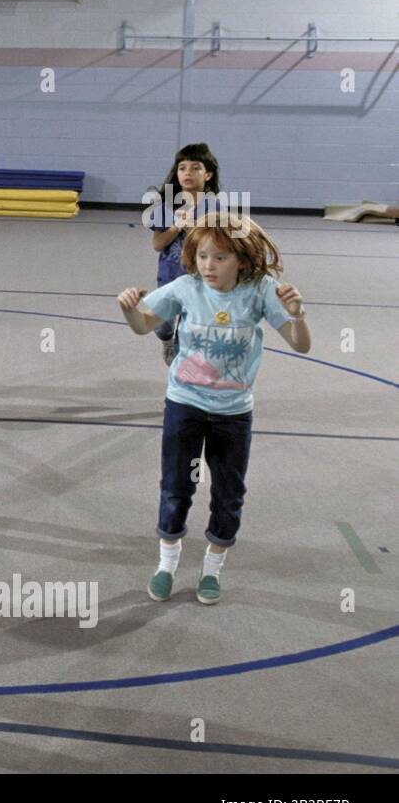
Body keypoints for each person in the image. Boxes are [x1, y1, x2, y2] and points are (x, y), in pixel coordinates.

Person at [118, 214, 311, 605]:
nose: (208, 265)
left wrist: (297, 315)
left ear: (241, 259)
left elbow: (300, 344)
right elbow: (142, 325)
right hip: (185, 404)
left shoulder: (259, 290)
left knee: (228, 491)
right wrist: (128, 310)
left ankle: (211, 570)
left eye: (220, 257)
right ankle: (166, 565)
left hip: (233, 413)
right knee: (176, 487)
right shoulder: (186, 288)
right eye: (203, 255)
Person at [146, 143, 224, 365]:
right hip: (170, 277)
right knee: (162, 325)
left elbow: (220, 248)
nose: (188, 172)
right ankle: (166, 339)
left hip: (200, 281)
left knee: (188, 336)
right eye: (182, 168)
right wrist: (176, 227)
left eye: (195, 168)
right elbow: (158, 245)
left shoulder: (215, 208)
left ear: (207, 174)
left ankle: (179, 376)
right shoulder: (168, 206)